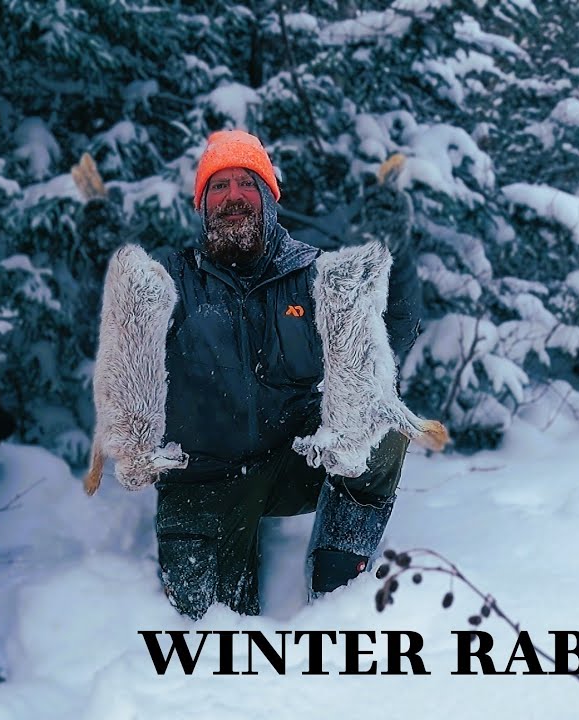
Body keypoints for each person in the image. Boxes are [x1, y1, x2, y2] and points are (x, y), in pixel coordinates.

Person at [86, 130, 422, 619]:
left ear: (267, 197)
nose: (233, 196)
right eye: (218, 187)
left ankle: (336, 591)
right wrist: (102, 259)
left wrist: (398, 246)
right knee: (203, 632)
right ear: (203, 206)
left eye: (246, 182)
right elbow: (110, 338)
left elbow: (387, 340)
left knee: (382, 435)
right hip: (199, 479)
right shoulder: (169, 279)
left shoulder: (313, 275)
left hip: (292, 461)